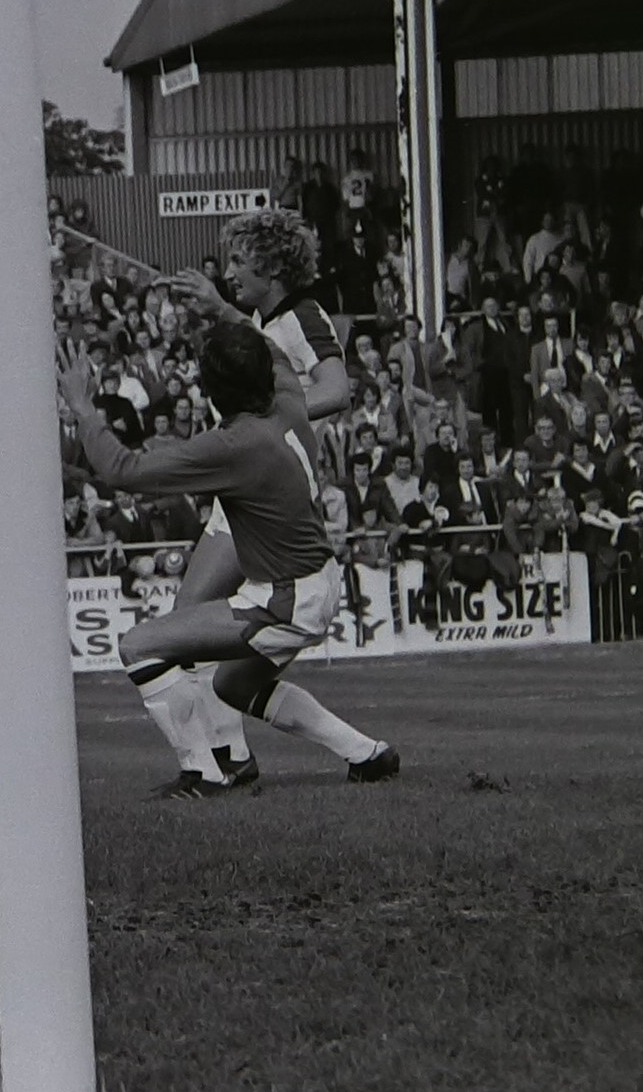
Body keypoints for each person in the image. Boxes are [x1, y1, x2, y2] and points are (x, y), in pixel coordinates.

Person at [58, 323, 399, 797]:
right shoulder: (288, 400)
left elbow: (122, 470)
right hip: (317, 579)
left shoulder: (235, 445)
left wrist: (81, 403)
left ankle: (204, 772)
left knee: (139, 646)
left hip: (285, 596)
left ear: (214, 391)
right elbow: (276, 354)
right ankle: (368, 754)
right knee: (233, 687)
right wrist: (222, 312)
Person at [156, 208, 352, 785]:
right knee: (191, 626)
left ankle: (217, 765)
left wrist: (269, 421)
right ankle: (238, 758)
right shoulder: (266, 320)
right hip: (250, 487)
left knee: (187, 627)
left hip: (269, 493)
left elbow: (336, 390)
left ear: (272, 266)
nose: (231, 271)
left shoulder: (303, 317)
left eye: (241, 261)